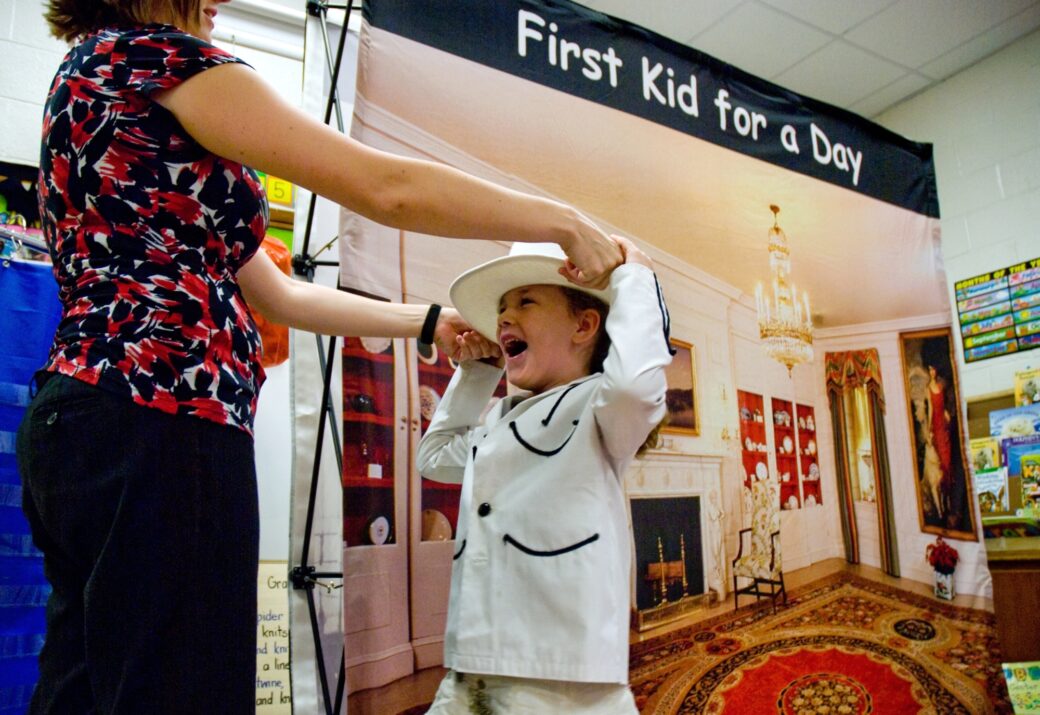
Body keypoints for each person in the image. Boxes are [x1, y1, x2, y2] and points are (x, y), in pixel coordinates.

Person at [17, 1, 622, 712]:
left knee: (84, 690)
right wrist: (562, 221)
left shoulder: (86, 82)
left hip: (79, 422)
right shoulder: (159, 63)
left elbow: (279, 296)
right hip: (164, 420)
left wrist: (428, 321)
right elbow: (384, 188)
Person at [416, 236, 671, 714]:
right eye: (502, 309)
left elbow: (636, 388)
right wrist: (477, 373)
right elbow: (433, 457)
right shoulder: (493, 423)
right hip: (469, 674)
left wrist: (636, 274)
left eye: (526, 302)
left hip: (563, 685)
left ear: (584, 325)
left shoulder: (598, 409)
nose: (504, 318)